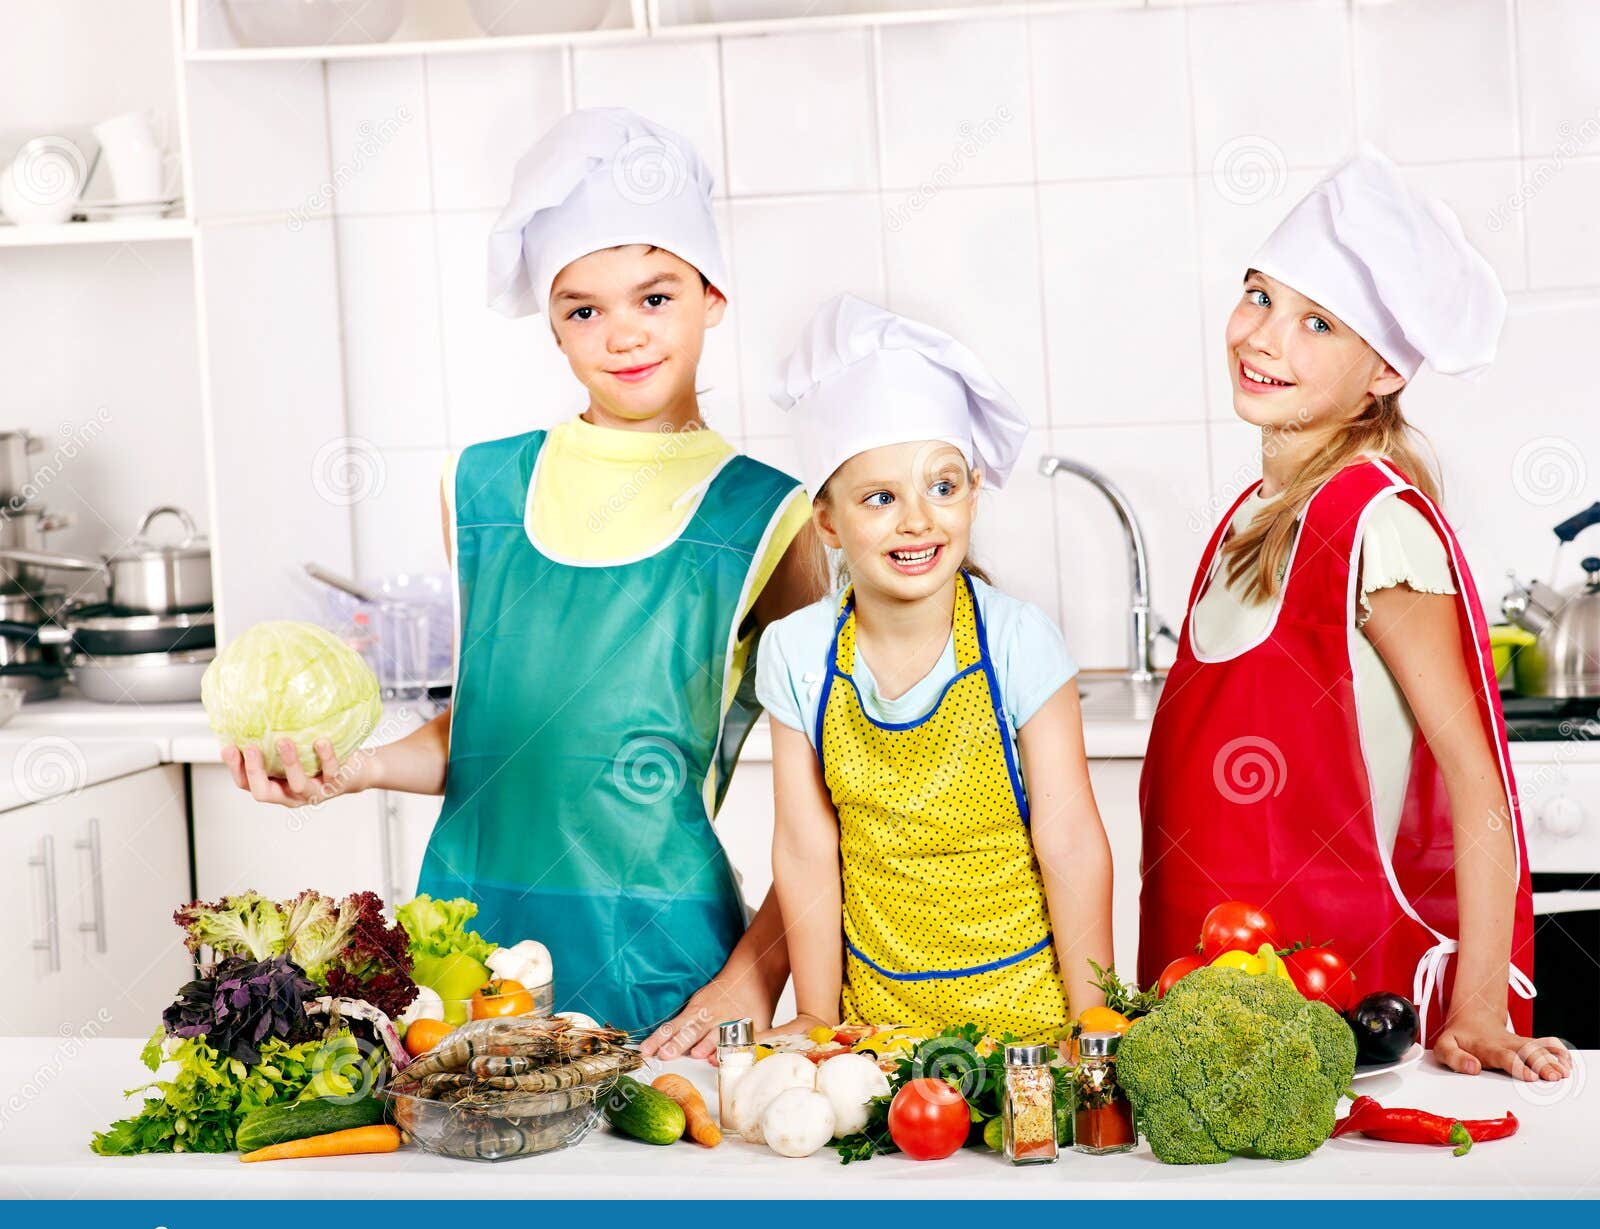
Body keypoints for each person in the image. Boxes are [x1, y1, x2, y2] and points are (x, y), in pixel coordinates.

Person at [225, 109, 822, 1040]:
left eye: (654, 297)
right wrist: (352, 770)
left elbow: (835, 806)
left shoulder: (768, 516)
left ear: (712, 295)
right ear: (552, 326)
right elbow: (492, 739)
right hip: (467, 952)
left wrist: (751, 979)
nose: (622, 336)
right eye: (584, 309)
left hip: (661, 962)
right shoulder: (482, 487)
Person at [1137, 149, 1570, 1082]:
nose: (1263, 338)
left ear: (1381, 372)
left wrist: (1480, 1005)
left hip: (1342, 1021)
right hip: (1211, 1012)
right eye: (1259, 296)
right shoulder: (1245, 519)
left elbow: (1476, 781)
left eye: (1317, 323)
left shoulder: (1375, 525)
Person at [756, 294, 1115, 1042]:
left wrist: (1092, 1019)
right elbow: (806, 850)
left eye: (942, 488)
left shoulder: (1018, 641)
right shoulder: (797, 654)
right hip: (875, 1030)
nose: (918, 520)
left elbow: (1071, 842)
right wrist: (817, 1016)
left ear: (973, 494)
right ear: (827, 521)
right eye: (880, 498)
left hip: (1028, 1028)